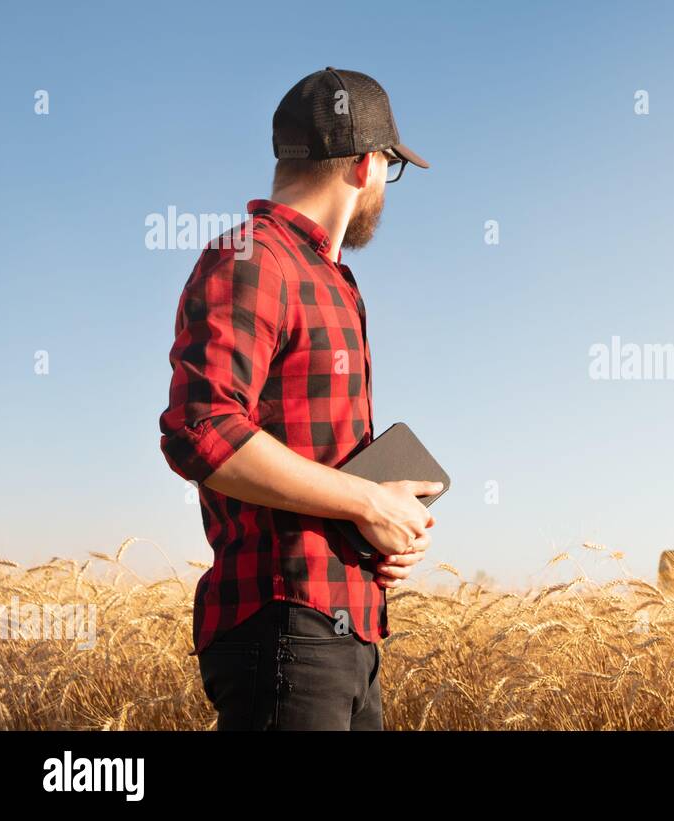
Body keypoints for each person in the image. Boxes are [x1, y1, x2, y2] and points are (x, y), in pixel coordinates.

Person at [157, 67, 436, 730]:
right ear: (369, 166)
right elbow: (201, 428)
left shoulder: (330, 279)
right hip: (286, 629)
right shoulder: (252, 256)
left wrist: (379, 531)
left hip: (346, 634)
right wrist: (368, 500)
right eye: (390, 171)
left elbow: (312, 468)